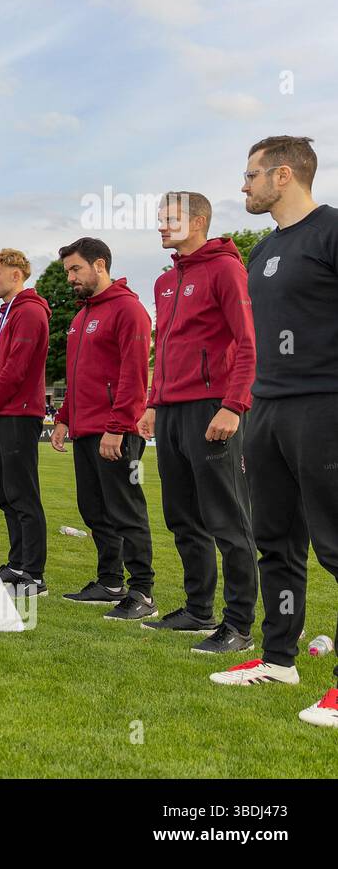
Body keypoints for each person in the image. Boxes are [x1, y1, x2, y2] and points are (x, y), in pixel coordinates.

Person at [211, 138, 338, 729]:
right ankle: (280, 659)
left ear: (282, 175)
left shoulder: (332, 232)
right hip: (268, 412)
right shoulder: (262, 250)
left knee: (335, 547)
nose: (244, 186)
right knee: (276, 541)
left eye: (251, 175)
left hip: (325, 409)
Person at [136, 193, 256, 653]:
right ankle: (197, 610)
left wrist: (234, 404)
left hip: (213, 407)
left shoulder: (226, 268)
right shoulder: (165, 281)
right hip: (169, 410)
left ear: (199, 221)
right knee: (182, 516)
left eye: (170, 219)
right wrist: (152, 402)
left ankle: (239, 624)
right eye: (160, 219)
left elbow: (247, 341)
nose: (161, 227)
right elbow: (162, 347)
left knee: (226, 518)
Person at [51, 237, 156, 620]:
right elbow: (78, 377)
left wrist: (118, 426)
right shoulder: (81, 316)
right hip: (86, 429)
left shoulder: (129, 310)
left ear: (100, 265)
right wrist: (63, 417)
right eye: (67, 271)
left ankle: (142, 591)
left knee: (126, 509)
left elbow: (134, 374)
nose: (70, 278)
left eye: (75, 269)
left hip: (117, 431)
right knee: (93, 508)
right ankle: (110, 581)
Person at [0, 250, 51, 597]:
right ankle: (17, 564)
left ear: (17, 275)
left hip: (19, 413)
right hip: (2, 412)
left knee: (22, 494)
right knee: (4, 492)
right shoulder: (7, 314)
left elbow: (16, 370)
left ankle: (34, 574)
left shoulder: (30, 311)